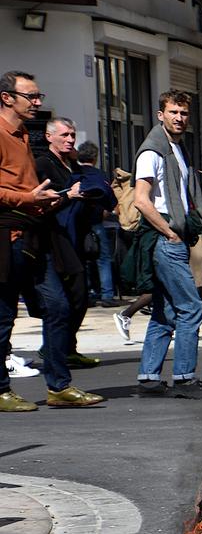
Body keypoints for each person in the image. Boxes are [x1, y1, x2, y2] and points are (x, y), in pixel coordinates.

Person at [0, 70, 103, 411]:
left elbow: (28, 187)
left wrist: (51, 199)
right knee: (4, 316)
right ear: (7, 98)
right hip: (8, 235)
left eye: (38, 95)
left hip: (36, 234)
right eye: (31, 96)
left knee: (58, 307)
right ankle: (1, 390)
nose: (38, 102)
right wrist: (30, 199)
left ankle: (59, 386)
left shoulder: (25, 136)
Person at [132, 90, 202, 398]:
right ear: (160, 115)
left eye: (183, 113)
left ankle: (149, 376)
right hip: (166, 241)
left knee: (165, 311)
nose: (179, 118)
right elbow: (141, 200)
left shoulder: (176, 149)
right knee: (191, 307)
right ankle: (184, 378)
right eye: (173, 112)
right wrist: (168, 232)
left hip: (174, 238)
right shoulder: (152, 152)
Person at [34, 117, 103, 369]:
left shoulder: (72, 163)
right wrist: (69, 195)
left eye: (72, 135)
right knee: (62, 301)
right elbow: (39, 201)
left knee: (79, 297)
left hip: (75, 236)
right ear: (49, 136)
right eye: (64, 135)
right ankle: (53, 351)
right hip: (51, 240)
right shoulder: (43, 164)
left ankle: (66, 347)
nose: (70, 139)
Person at [77, 141, 119, 306]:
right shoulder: (100, 175)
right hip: (97, 222)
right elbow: (111, 200)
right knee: (103, 259)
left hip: (79, 224)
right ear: (95, 158)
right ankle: (107, 295)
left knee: (82, 259)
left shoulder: (75, 173)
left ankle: (86, 294)